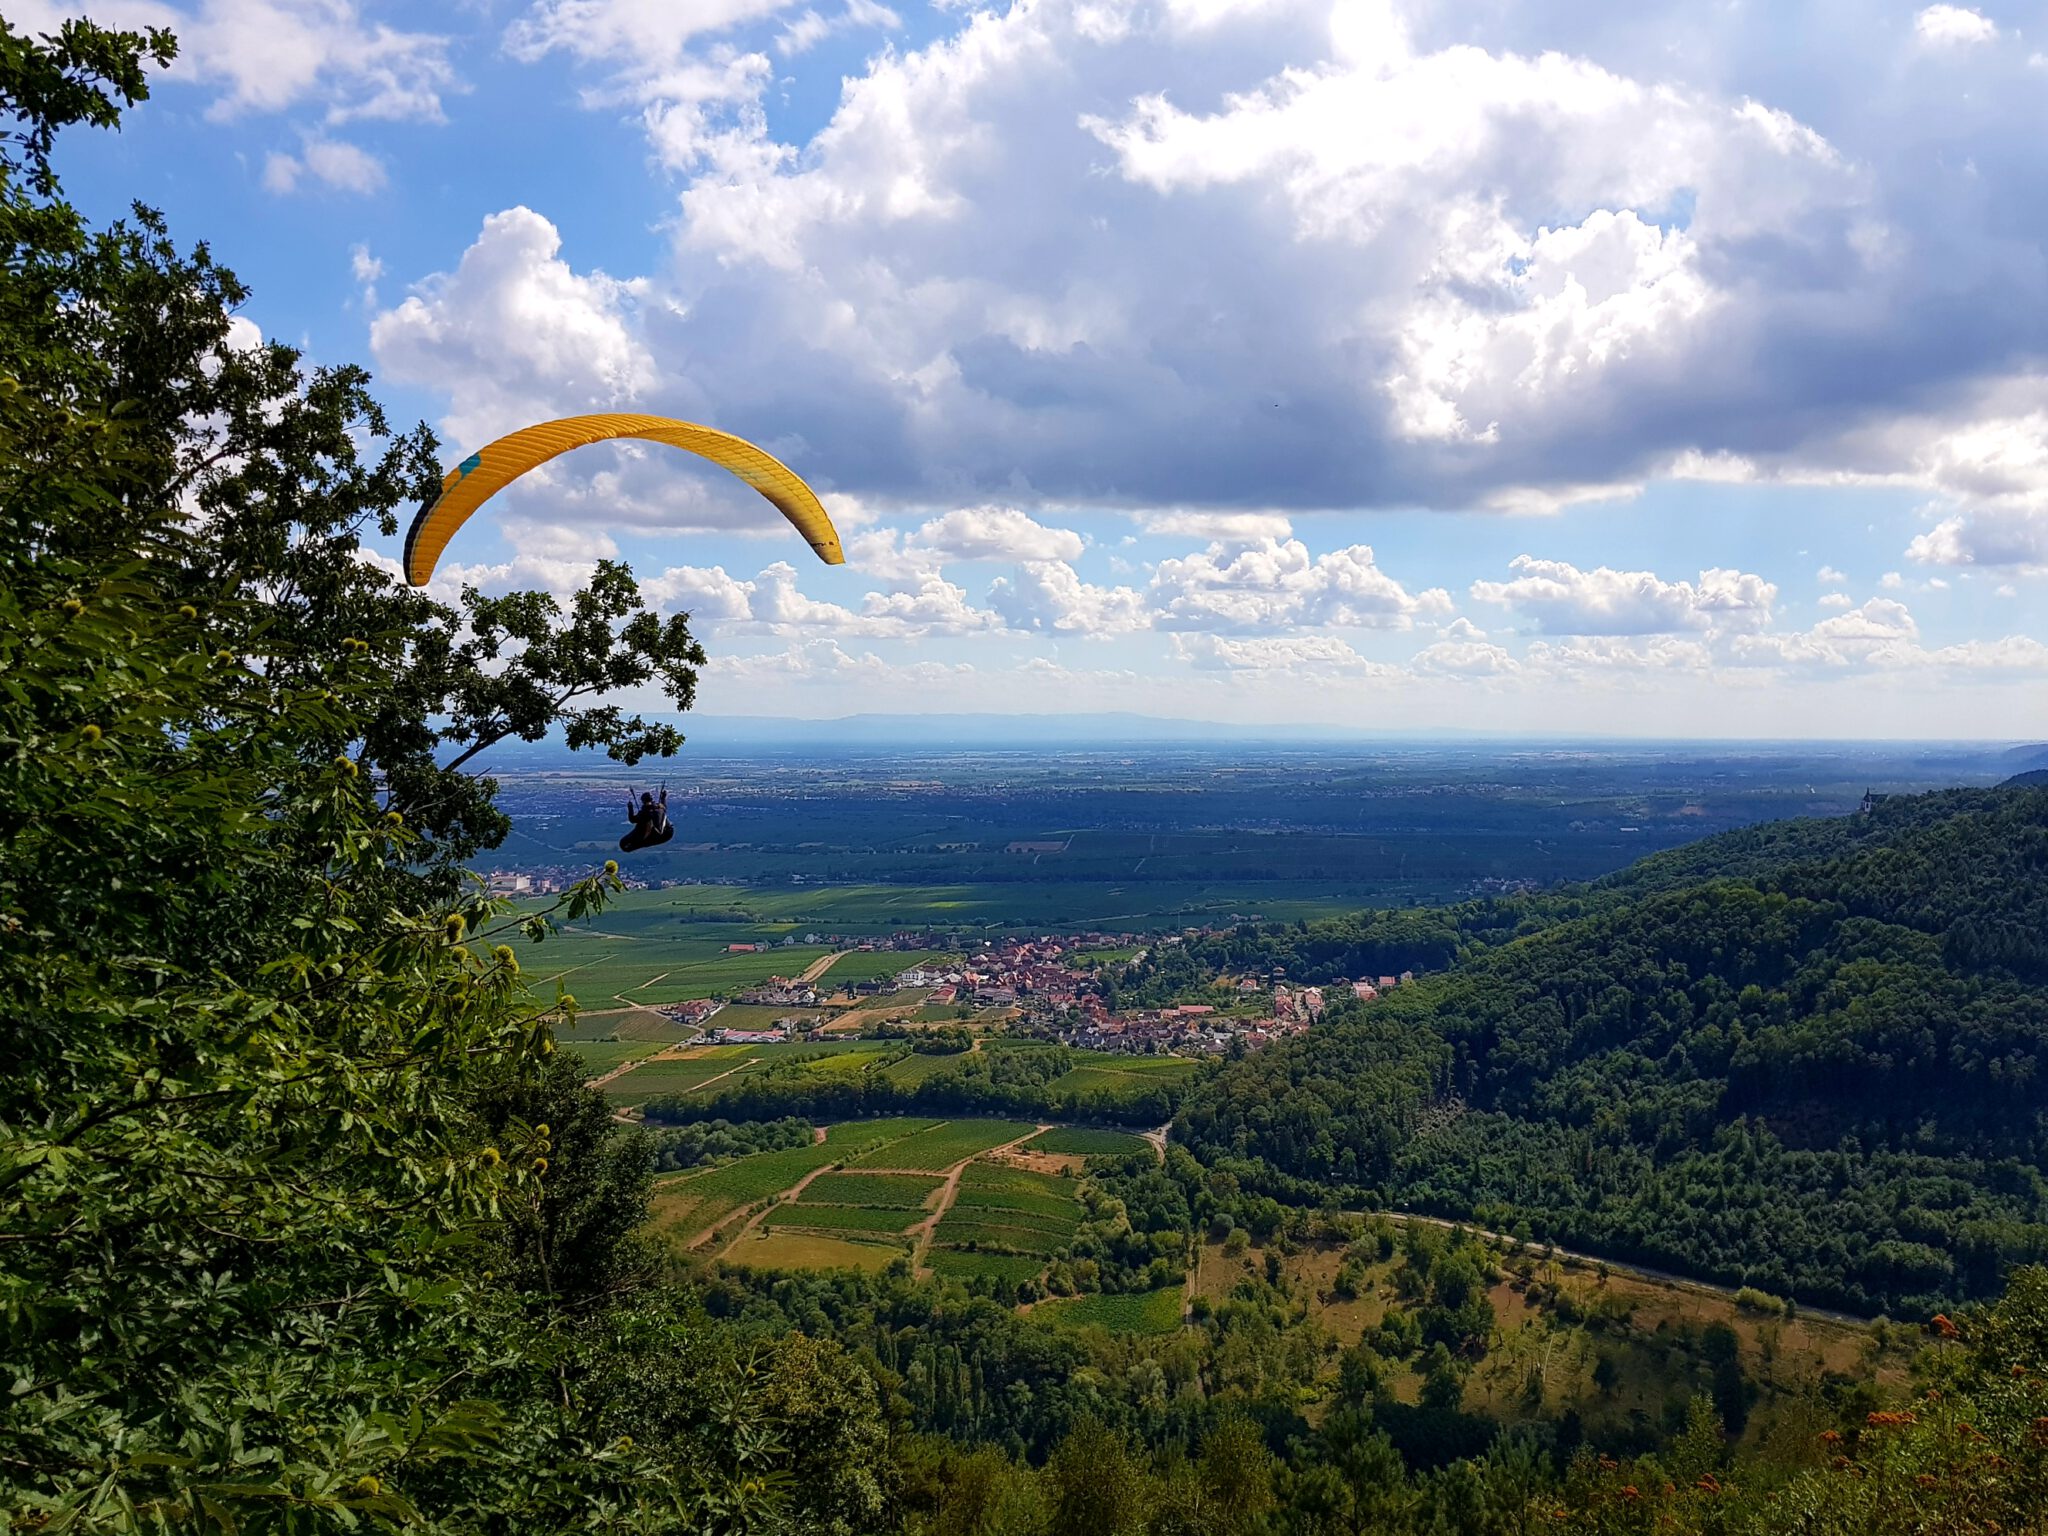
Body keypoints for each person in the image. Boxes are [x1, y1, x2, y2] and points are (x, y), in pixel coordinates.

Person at [619, 785, 674, 853]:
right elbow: (664, 806)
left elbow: (632, 820)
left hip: (654, 835)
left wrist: (630, 808)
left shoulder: (645, 813)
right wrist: (663, 797)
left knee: (623, 844)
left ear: (643, 801)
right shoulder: (660, 807)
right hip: (668, 833)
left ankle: (633, 846)